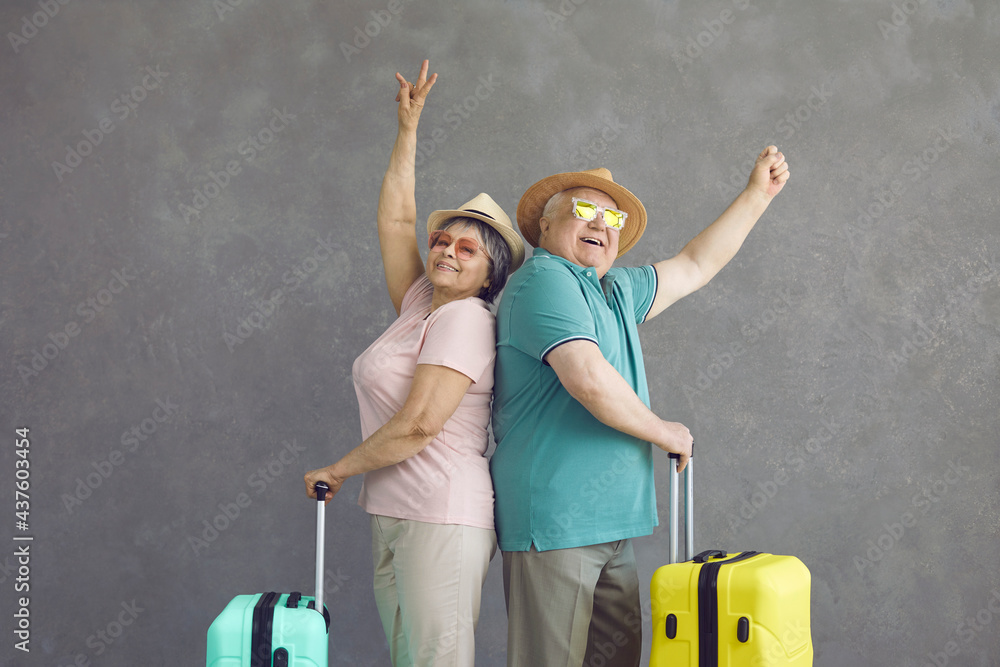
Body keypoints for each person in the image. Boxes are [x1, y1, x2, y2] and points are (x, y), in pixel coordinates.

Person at [490, 148, 790, 666]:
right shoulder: (545, 281)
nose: (602, 226)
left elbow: (696, 265)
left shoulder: (614, 291)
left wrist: (756, 196)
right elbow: (587, 378)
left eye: (614, 219)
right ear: (545, 224)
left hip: (613, 524)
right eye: (585, 211)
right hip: (557, 522)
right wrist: (663, 431)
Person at [304, 60, 525, 667]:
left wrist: (340, 467)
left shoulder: (466, 320)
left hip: (444, 516)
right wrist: (409, 128)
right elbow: (397, 219)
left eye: (466, 249)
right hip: (395, 509)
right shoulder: (421, 302)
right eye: (442, 241)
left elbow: (420, 424)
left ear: (490, 272)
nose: (446, 253)